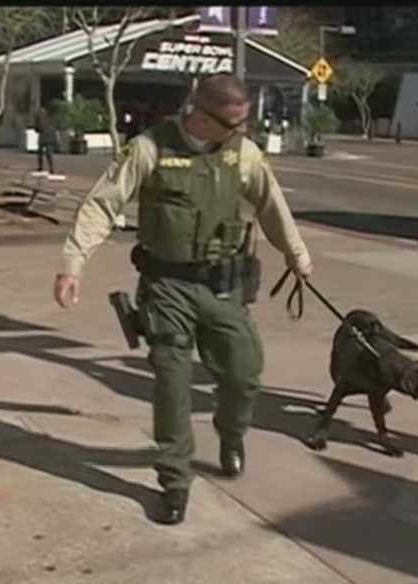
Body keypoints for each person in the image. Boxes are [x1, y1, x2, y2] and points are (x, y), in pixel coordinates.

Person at [53, 74, 313, 525]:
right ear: (200, 115)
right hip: (166, 286)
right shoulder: (149, 148)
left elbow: (271, 204)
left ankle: (231, 433)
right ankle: (175, 481)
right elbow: (102, 204)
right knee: (172, 383)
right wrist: (72, 264)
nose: (241, 131)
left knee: (244, 373)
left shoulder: (242, 154)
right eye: (233, 124)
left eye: (244, 122)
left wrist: (296, 255)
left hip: (222, 286)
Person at [33, 108, 58, 177]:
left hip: (46, 137)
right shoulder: (48, 118)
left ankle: (44, 167)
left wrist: (37, 128)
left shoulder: (40, 118)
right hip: (48, 137)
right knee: (47, 153)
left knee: (43, 153)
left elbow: (37, 128)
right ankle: (49, 167)